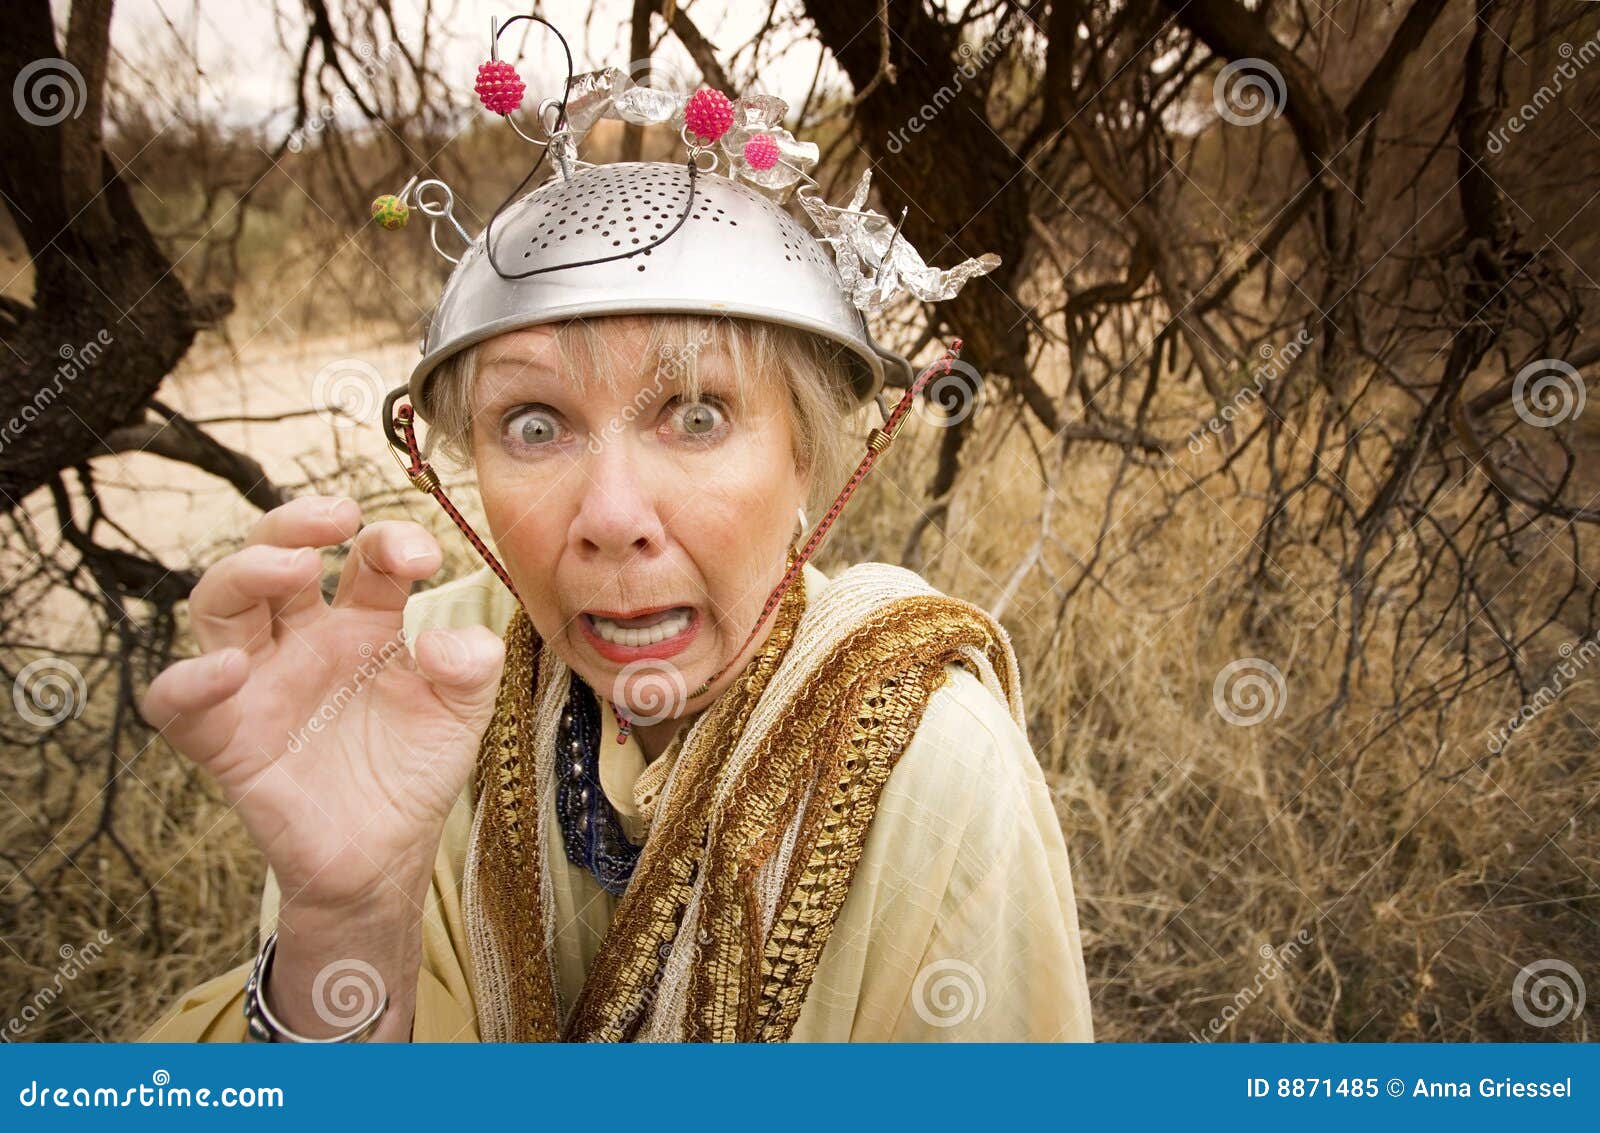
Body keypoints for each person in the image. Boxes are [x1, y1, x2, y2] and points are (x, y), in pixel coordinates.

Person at [137, 56, 1092, 1043]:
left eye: (696, 412)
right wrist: (346, 916)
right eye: (535, 425)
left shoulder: (927, 762)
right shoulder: (405, 690)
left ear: (805, 453)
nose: (610, 514)